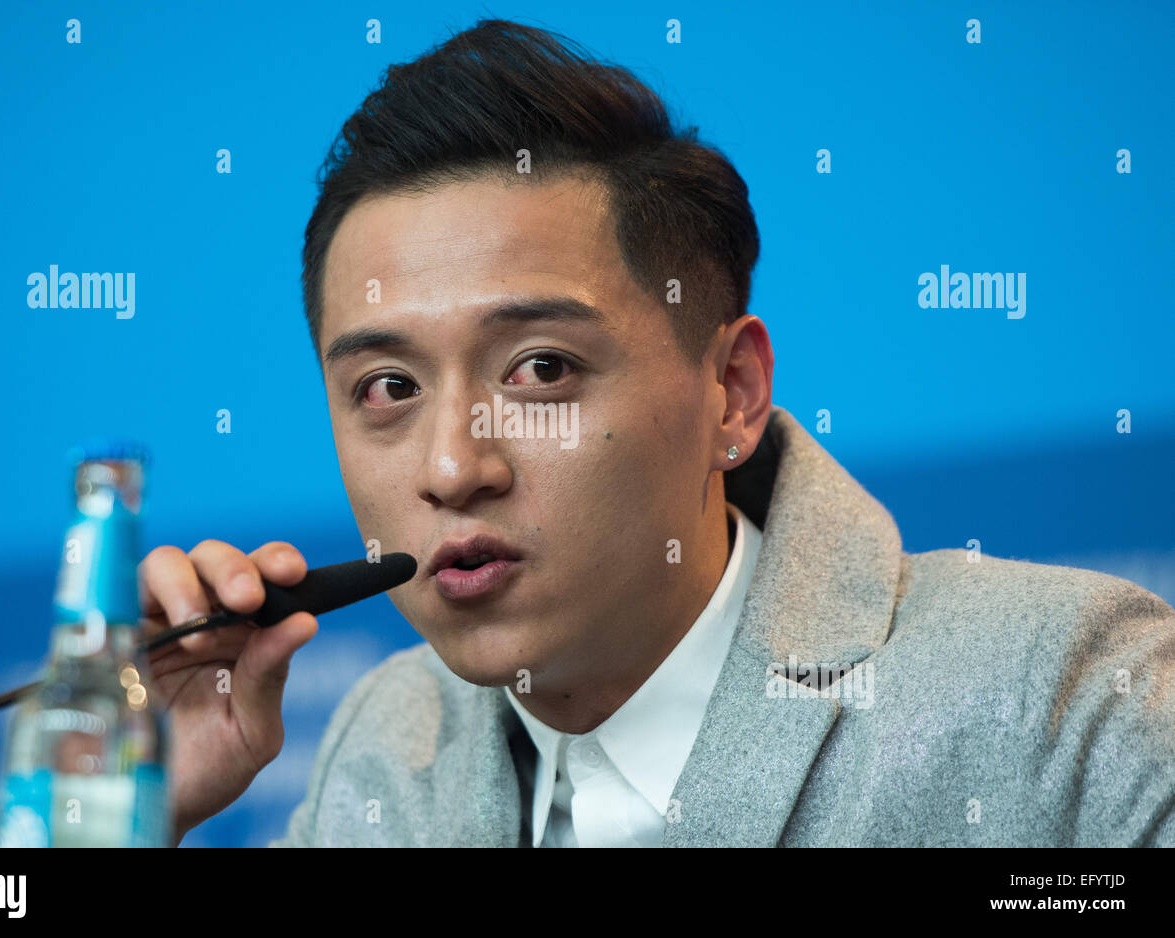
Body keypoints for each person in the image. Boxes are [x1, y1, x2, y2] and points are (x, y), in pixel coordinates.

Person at [138, 19, 1175, 847]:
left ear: (729, 392)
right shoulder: (383, 746)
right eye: (388, 385)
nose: (453, 465)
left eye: (540, 368)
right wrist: (133, 812)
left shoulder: (1061, 699)